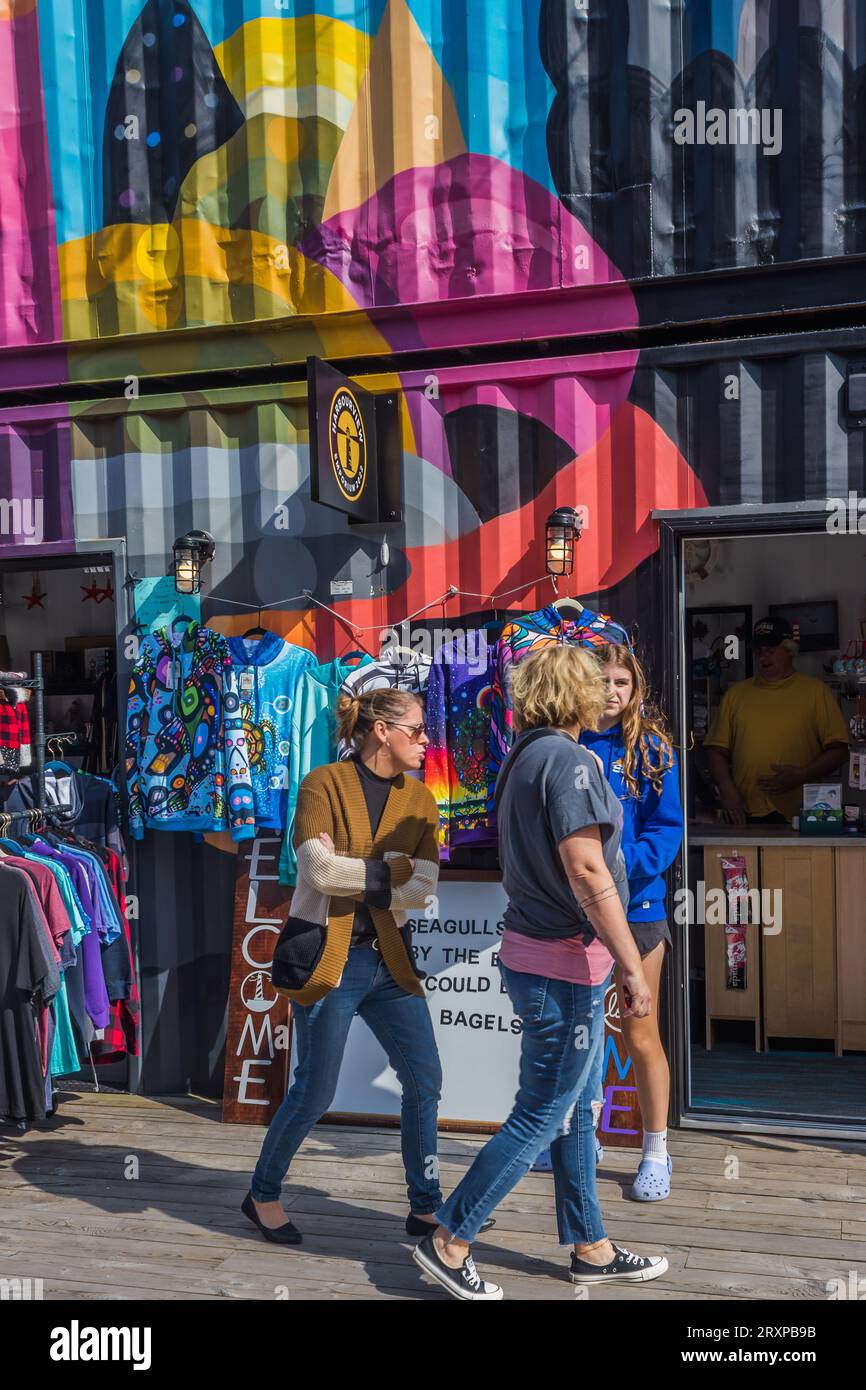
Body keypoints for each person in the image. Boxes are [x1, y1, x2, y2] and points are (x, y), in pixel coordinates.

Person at [412, 644, 669, 1299]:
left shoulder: (525, 756)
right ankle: (450, 1239)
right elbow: (587, 871)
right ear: (574, 694)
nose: (605, 694)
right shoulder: (568, 761)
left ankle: (591, 1247)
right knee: (542, 1113)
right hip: (563, 963)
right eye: (594, 684)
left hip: (541, 955)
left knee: (575, 1110)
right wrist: (632, 964)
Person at [244, 687, 449, 1244]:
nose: (427, 740)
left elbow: (425, 889)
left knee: (425, 1082)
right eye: (417, 730)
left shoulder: (421, 800)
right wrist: (391, 870)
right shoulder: (322, 784)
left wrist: (359, 868)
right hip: (330, 961)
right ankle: (262, 1193)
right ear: (382, 730)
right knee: (314, 1091)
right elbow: (318, 872)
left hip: (391, 964)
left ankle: (425, 1206)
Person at [580, 644, 683, 1201]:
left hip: (639, 908)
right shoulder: (566, 743)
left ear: (635, 688)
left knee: (639, 1031)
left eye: (622, 681)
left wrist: (619, 865)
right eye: (603, 680)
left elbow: (667, 831)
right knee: (583, 1030)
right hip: (579, 910)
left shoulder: (652, 748)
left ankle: (656, 1151)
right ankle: (584, 1138)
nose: (612, 691)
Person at [703, 616, 849, 826]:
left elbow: (839, 751)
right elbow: (715, 750)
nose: (763, 656)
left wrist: (801, 775)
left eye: (771, 650)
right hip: (745, 813)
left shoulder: (816, 692)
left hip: (802, 815)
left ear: (790, 650)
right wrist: (726, 789)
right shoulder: (735, 695)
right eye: (758, 651)